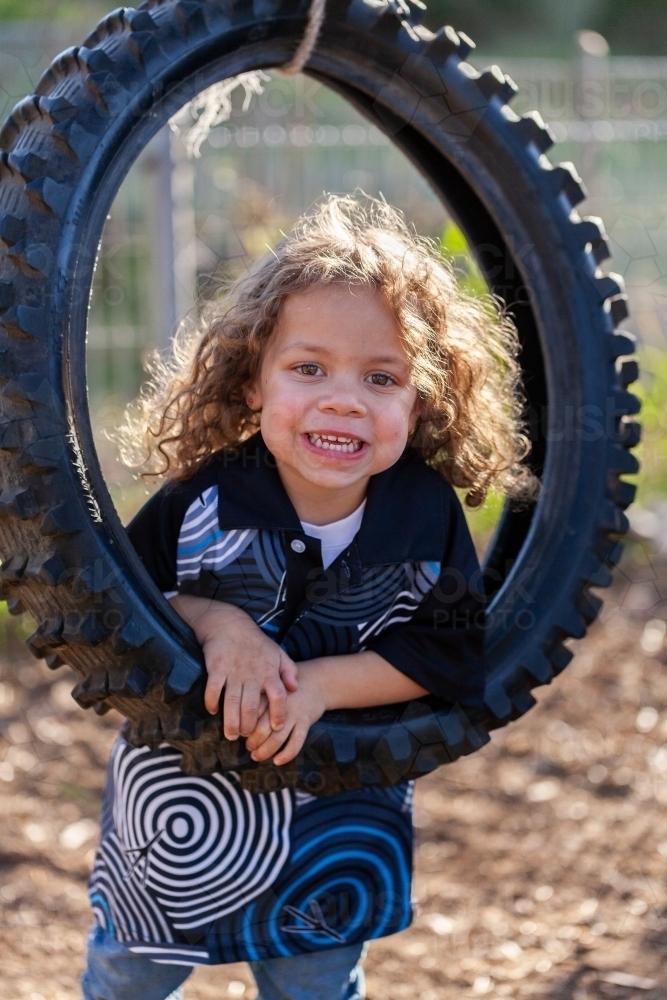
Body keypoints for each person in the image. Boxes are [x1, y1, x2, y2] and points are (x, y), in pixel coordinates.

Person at [82, 194, 538, 1000]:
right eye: (308, 368)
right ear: (251, 382)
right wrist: (220, 623)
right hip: (185, 801)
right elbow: (125, 602)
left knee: (316, 979)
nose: (342, 398)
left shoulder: (421, 513)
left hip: (335, 804)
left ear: (420, 402)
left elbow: (443, 651)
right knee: (131, 970)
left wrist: (320, 687)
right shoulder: (204, 500)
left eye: (380, 378)